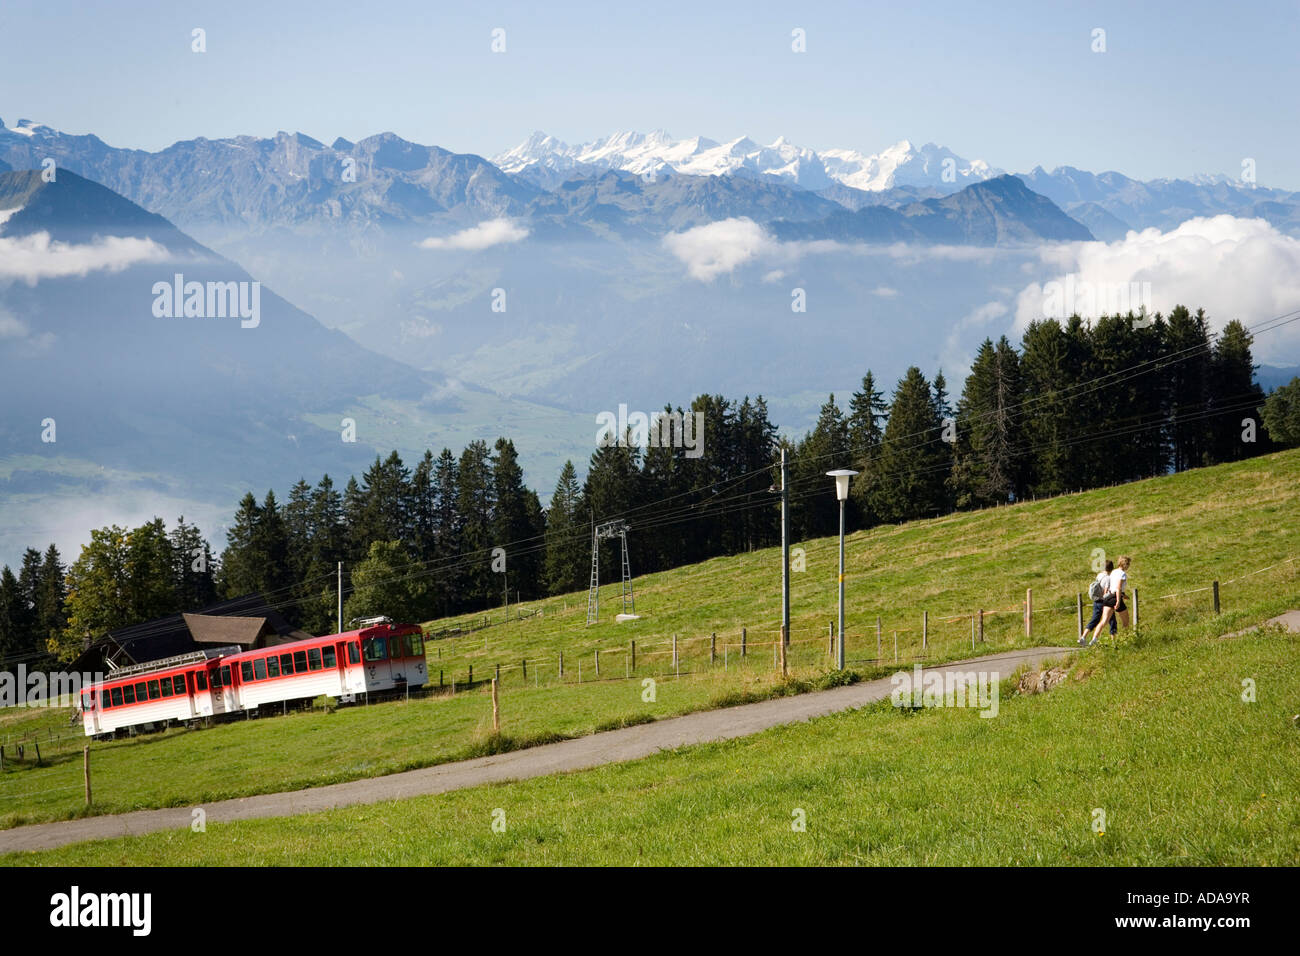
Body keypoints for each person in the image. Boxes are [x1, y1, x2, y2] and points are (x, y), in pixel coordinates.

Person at [1087, 555, 1132, 645]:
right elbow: (1118, 587)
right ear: (1125, 564)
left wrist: (1123, 595)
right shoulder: (1122, 574)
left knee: (1104, 621)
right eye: (1128, 564)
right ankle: (1126, 640)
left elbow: (1114, 586)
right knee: (1126, 622)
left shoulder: (1113, 572)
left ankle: (1093, 639)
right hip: (1116, 597)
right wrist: (1119, 600)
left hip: (1108, 597)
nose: (1129, 566)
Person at [1079, 560, 1116, 645]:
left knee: (1095, 620)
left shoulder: (1099, 575)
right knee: (1112, 621)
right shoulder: (1108, 578)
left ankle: (1083, 637)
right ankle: (1113, 642)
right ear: (1112, 568)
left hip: (1096, 601)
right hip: (1105, 602)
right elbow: (1106, 592)